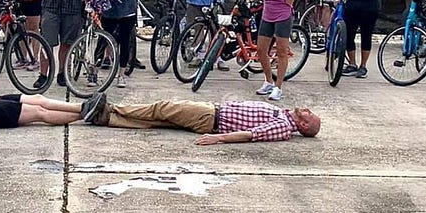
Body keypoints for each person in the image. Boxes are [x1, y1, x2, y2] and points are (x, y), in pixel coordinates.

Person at [223, 0, 311, 99]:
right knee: (262, 50)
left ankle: (278, 87)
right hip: (268, 12)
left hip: (282, 13)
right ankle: (268, 81)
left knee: (282, 52)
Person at [80, 90, 321, 144]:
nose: (306, 110)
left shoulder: (282, 127)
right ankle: (104, 117)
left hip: (211, 118)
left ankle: (112, 108)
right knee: (154, 120)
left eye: (308, 116)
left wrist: (218, 139)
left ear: (302, 125)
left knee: (161, 108)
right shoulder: (283, 114)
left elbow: (252, 135)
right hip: (211, 111)